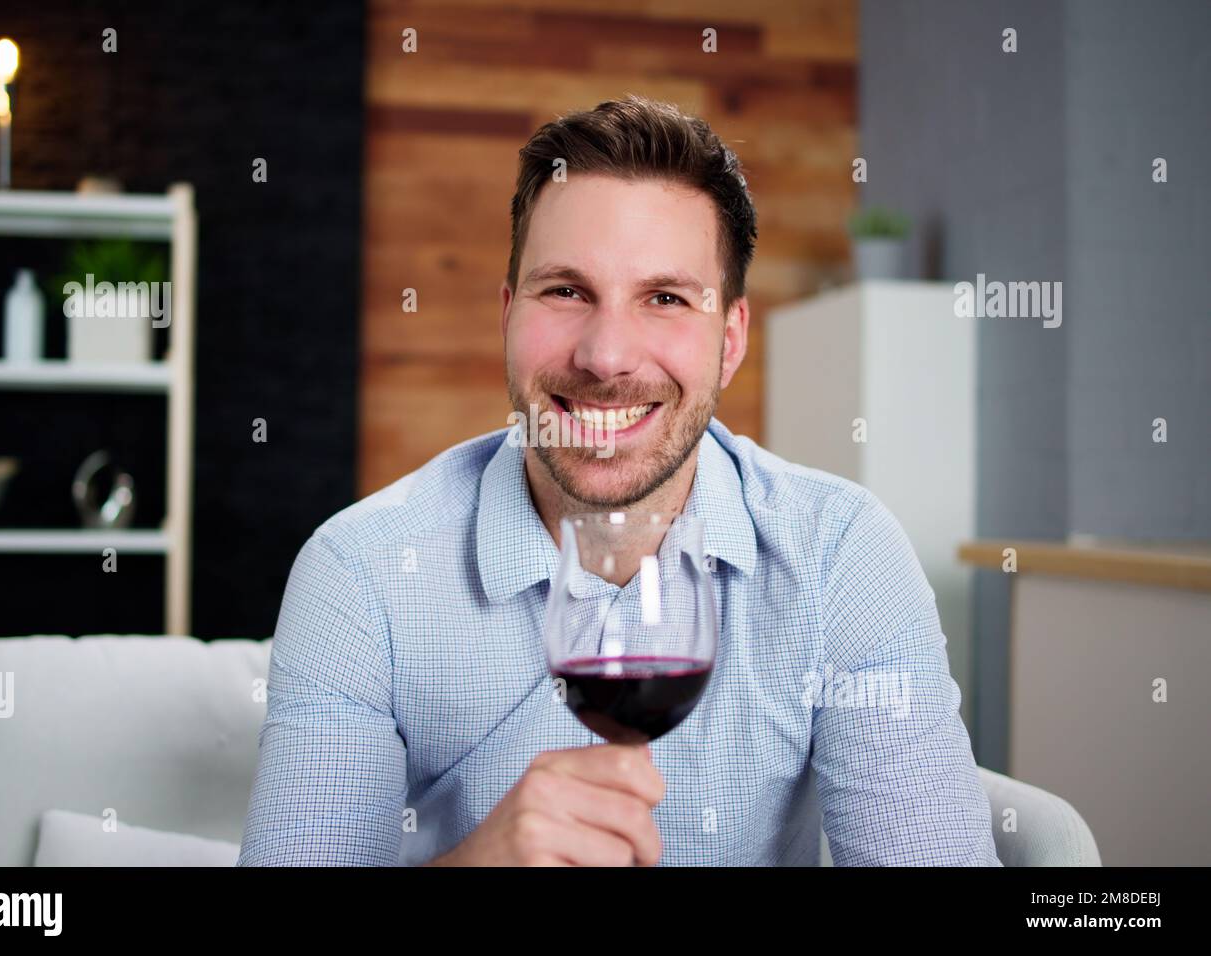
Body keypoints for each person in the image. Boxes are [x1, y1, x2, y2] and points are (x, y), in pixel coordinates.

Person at [238, 95, 999, 866]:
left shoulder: (842, 555)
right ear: (507, 316)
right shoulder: (360, 572)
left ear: (730, 340)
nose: (606, 357)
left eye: (665, 299)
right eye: (566, 291)